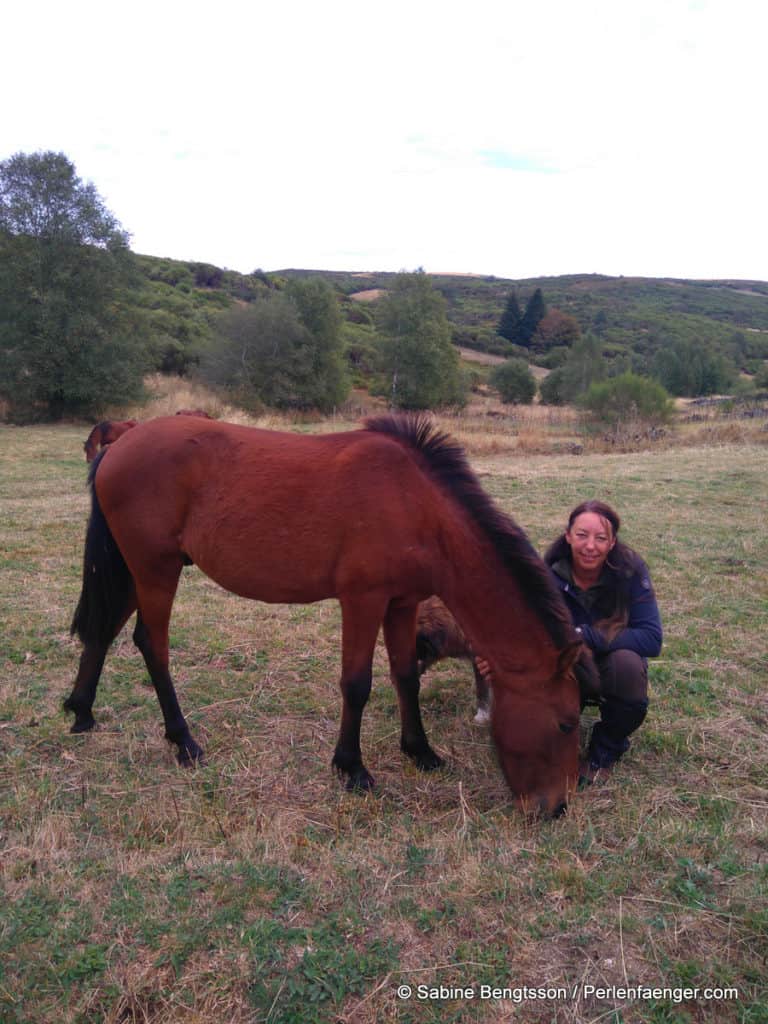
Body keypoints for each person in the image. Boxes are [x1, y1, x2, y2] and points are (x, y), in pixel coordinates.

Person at [544, 500, 662, 785]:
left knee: (628, 666)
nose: (590, 546)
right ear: (568, 535)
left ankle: (605, 749)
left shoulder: (631, 571)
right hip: (565, 664)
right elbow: (521, 624)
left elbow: (651, 638)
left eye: (600, 538)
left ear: (612, 543)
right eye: (582, 535)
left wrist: (585, 635)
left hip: (609, 662)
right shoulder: (546, 573)